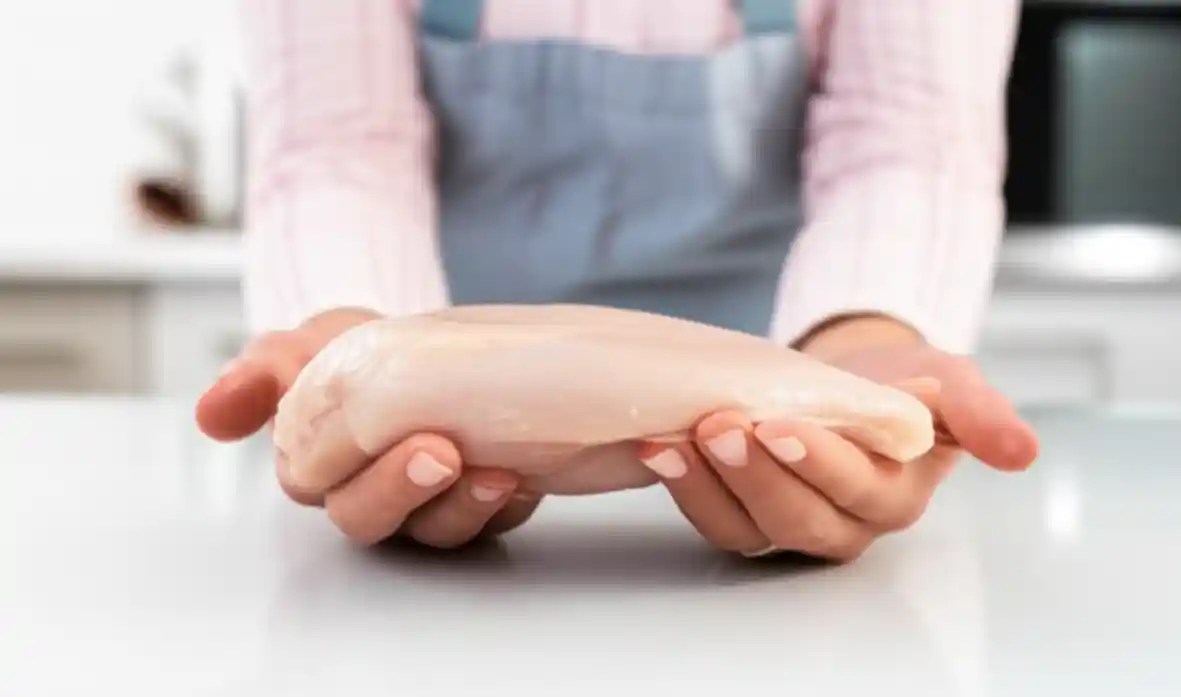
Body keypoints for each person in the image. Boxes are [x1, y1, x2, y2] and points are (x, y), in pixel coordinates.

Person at [197, 0, 1038, 563]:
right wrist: (351, 338)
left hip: (776, 365)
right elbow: (338, 145)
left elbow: (906, 136)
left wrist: (866, 341)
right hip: (452, 393)